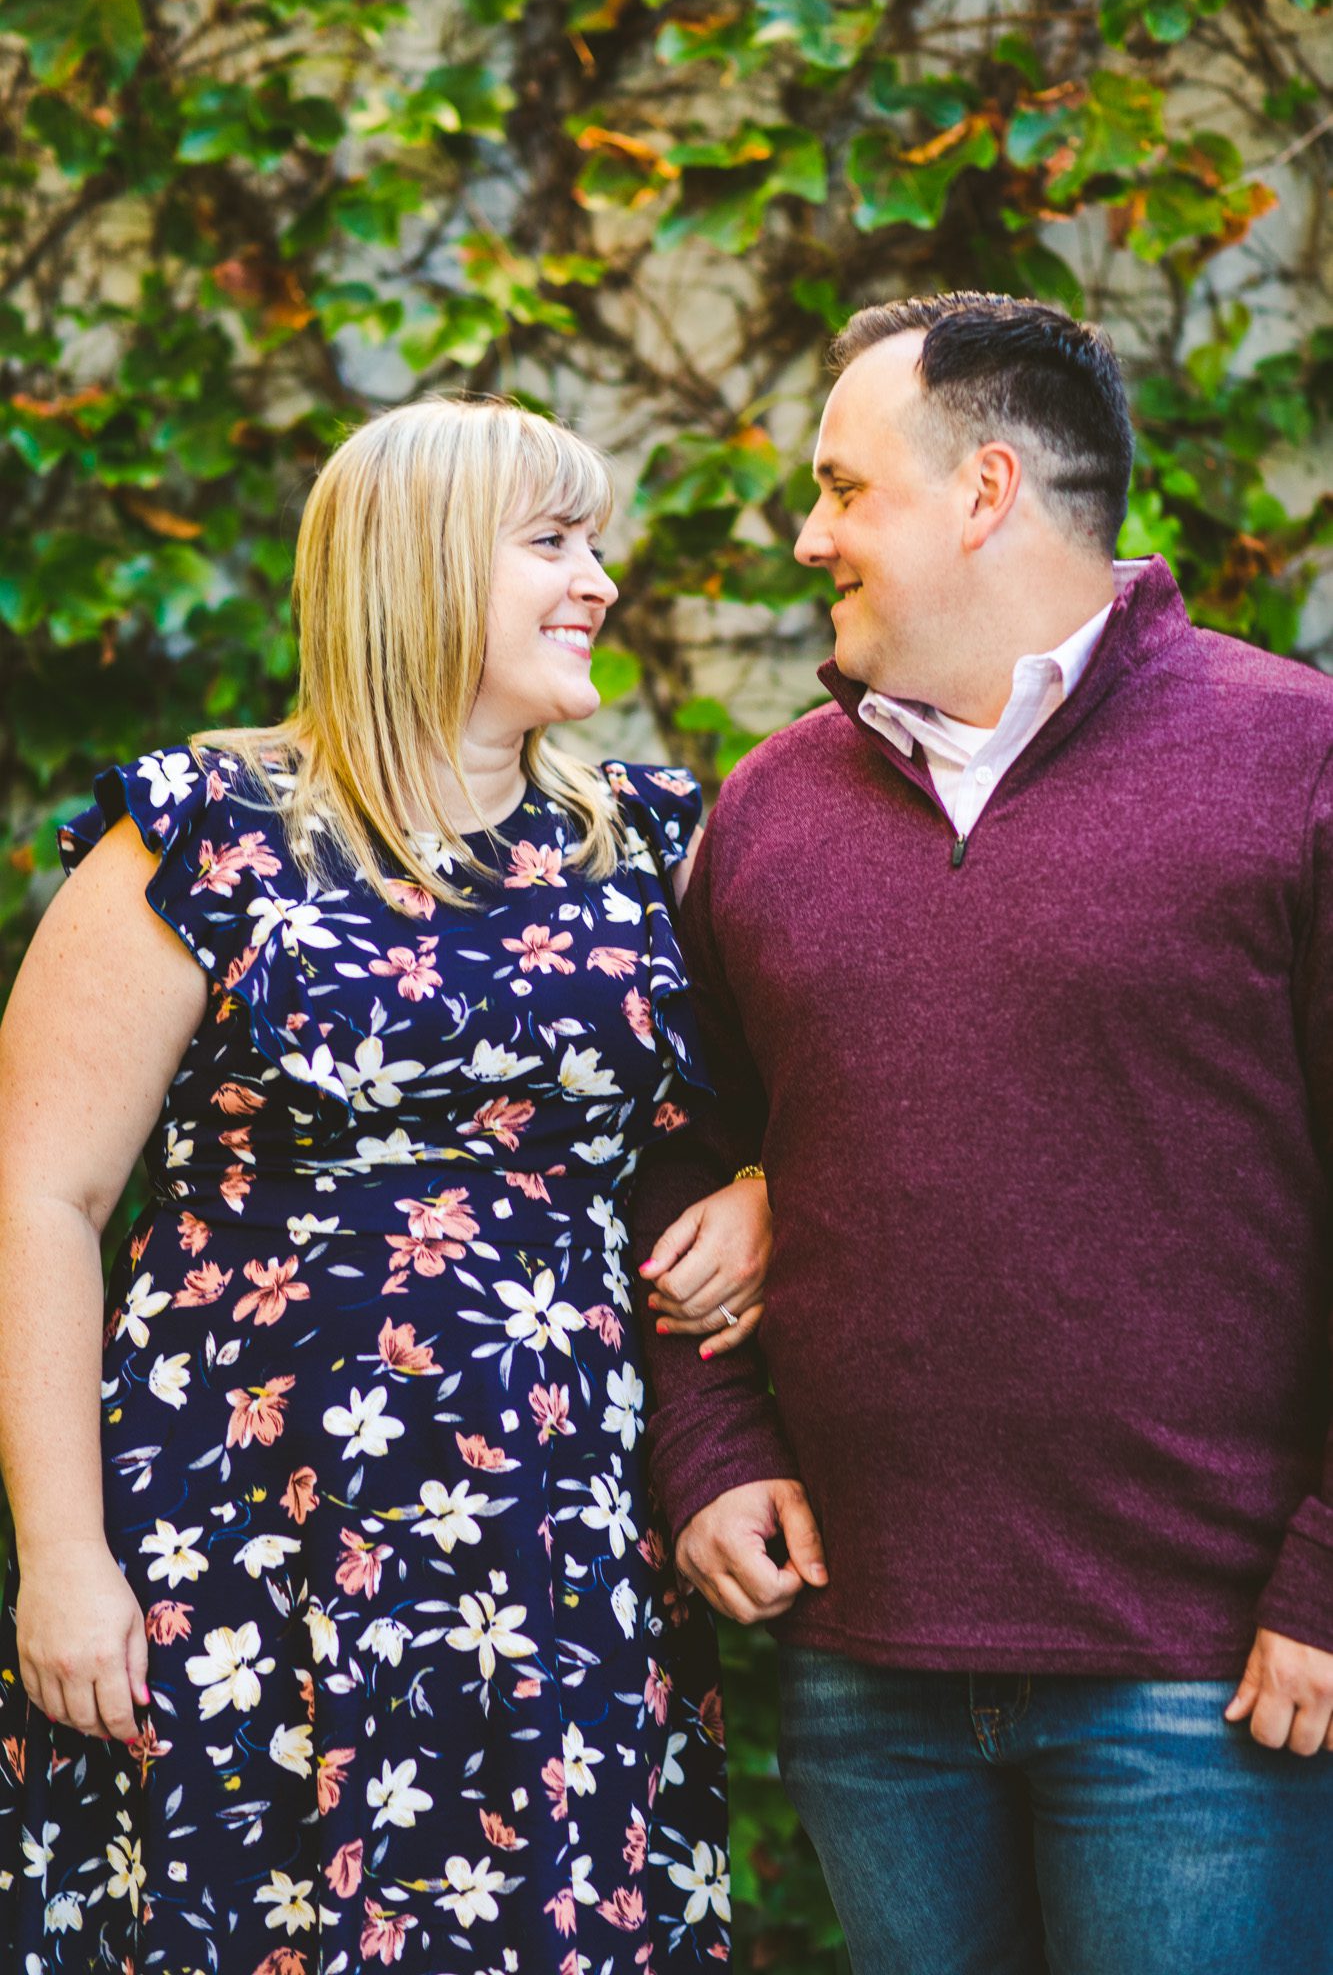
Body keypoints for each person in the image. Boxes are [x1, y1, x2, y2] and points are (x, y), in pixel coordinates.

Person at [0, 394, 769, 1974]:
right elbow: (40, 1202)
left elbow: (858, 1096)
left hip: (553, 1543)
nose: (598, 581)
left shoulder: (650, 844)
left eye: (594, 542)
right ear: (418, 569)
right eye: (550, 543)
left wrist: (770, 1189)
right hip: (243, 1534)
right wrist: (64, 1558)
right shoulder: (205, 839)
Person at [634, 293, 1333, 1975]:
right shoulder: (770, 805)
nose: (808, 537)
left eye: (840, 489)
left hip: (1203, 1677)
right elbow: (680, 1143)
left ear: (983, 490)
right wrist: (714, 1451)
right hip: (865, 1668)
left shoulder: (1292, 762)